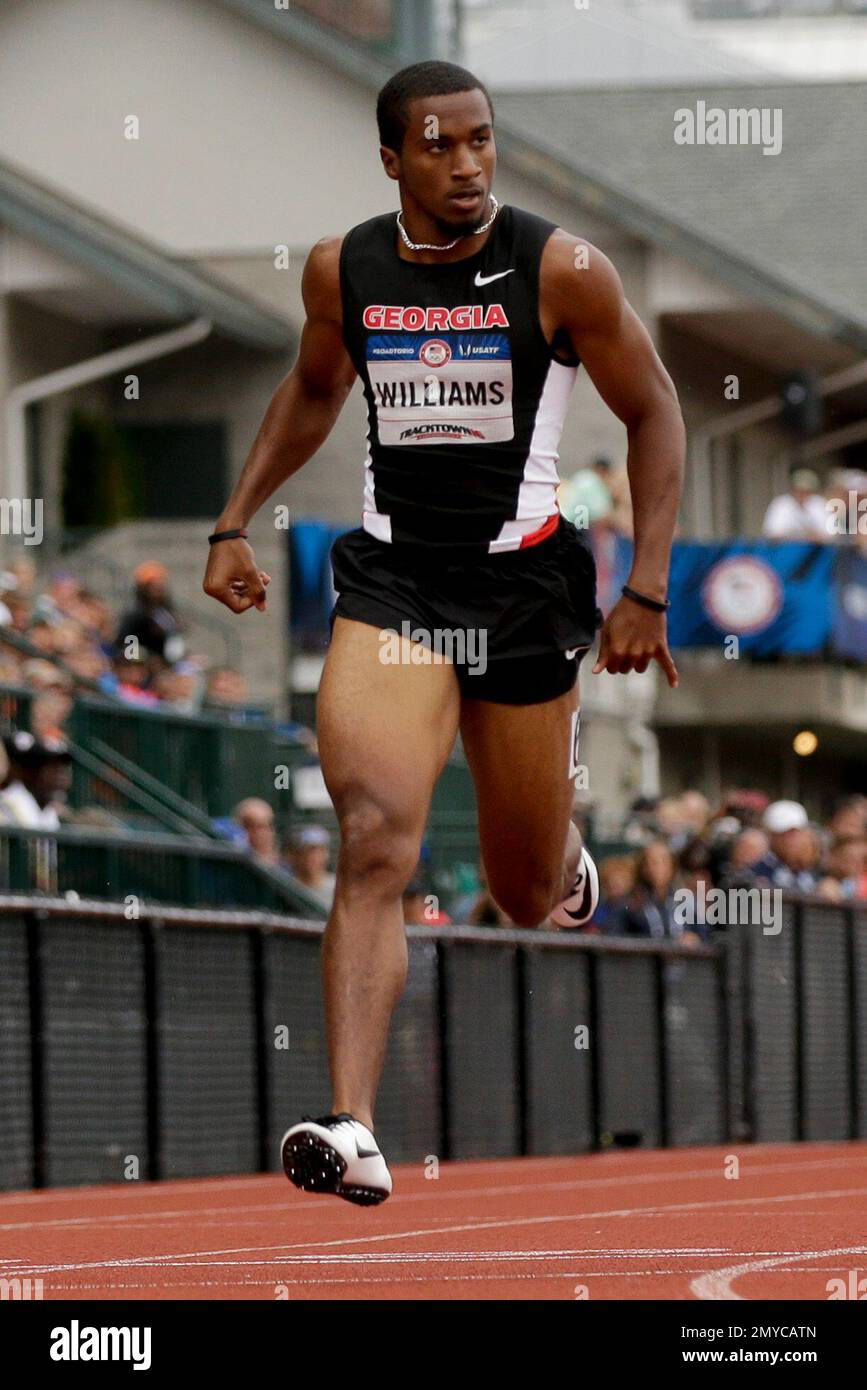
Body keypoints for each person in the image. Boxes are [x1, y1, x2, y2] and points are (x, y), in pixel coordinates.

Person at [203, 60, 684, 1204]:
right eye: (441, 145)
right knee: (374, 834)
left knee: (522, 894)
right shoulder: (346, 268)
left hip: (522, 592)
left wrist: (648, 587)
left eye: (481, 141)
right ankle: (354, 1122)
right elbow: (314, 389)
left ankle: (561, 843)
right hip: (395, 585)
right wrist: (234, 518)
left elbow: (656, 406)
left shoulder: (562, 269)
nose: (468, 164)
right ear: (392, 160)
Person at [0, 731, 72, 830]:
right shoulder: (7, 805)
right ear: (29, 772)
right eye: (52, 769)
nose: (60, 777)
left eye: (63, 770)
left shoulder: (48, 810)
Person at [761, 468, 829, 541]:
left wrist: (813, 535)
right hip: (787, 548)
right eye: (799, 490)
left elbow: (830, 534)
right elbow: (770, 532)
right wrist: (795, 535)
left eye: (806, 491)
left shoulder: (819, 503)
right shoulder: (781, 503)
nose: (802, 494)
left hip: (815, 549)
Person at [285, 824, 337, 911]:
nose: (314, 857)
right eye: (308, 851)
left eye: (321, 850)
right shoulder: (285, 887)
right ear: (294, 855)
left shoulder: (338, 887)